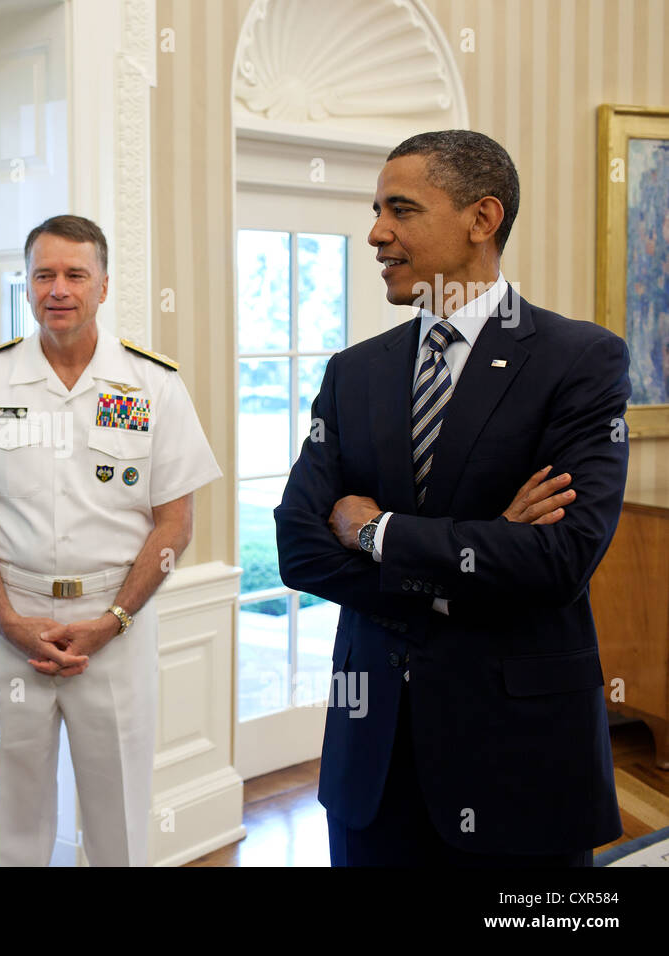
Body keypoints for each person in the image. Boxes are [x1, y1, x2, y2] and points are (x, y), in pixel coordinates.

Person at [275, 130, 629, 866]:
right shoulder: (352, 373)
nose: (376, 233)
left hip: (520, 759)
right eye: (376, 210)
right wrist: (482, 551)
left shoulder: (580, 361)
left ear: (482, 217)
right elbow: (300, 548)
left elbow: (561, 561)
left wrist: (377, 534)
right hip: (372, 760)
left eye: (400, 210)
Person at [0, 214, 222, 866]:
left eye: (74, 274)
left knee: (118, 812)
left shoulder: (151, 384)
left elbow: (175, 522)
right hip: (12, 630)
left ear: (103, 285)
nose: (57, 289)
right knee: (17, 810)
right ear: (27, 285)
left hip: (114, 627)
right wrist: (4, 617)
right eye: (43, 275)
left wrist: (112, 620)